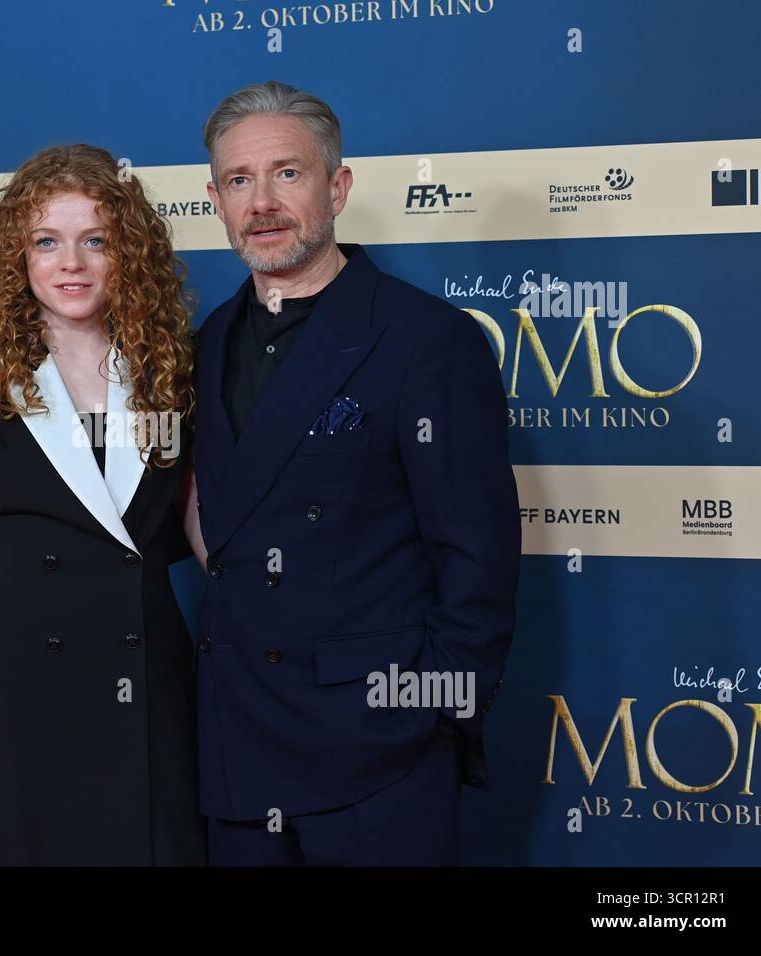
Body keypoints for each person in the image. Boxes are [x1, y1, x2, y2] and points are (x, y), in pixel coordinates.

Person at [183, 80, 521, 866]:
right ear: (215, 199)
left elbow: (478, 560)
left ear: (337, 186)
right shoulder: (205, 344)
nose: (262, 201)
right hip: (238, 756)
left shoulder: (425, 339)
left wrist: (429, 714)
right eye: (240, 181)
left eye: (287, 174)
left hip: (379, 761)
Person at [0, 144, 207, 866]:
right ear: (19, 257)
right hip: (18, 691)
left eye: (94, 240)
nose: (71, 262)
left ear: (126, 252)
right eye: (47, 241)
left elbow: (206, 538)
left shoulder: (172, 369)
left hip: (151, 683)